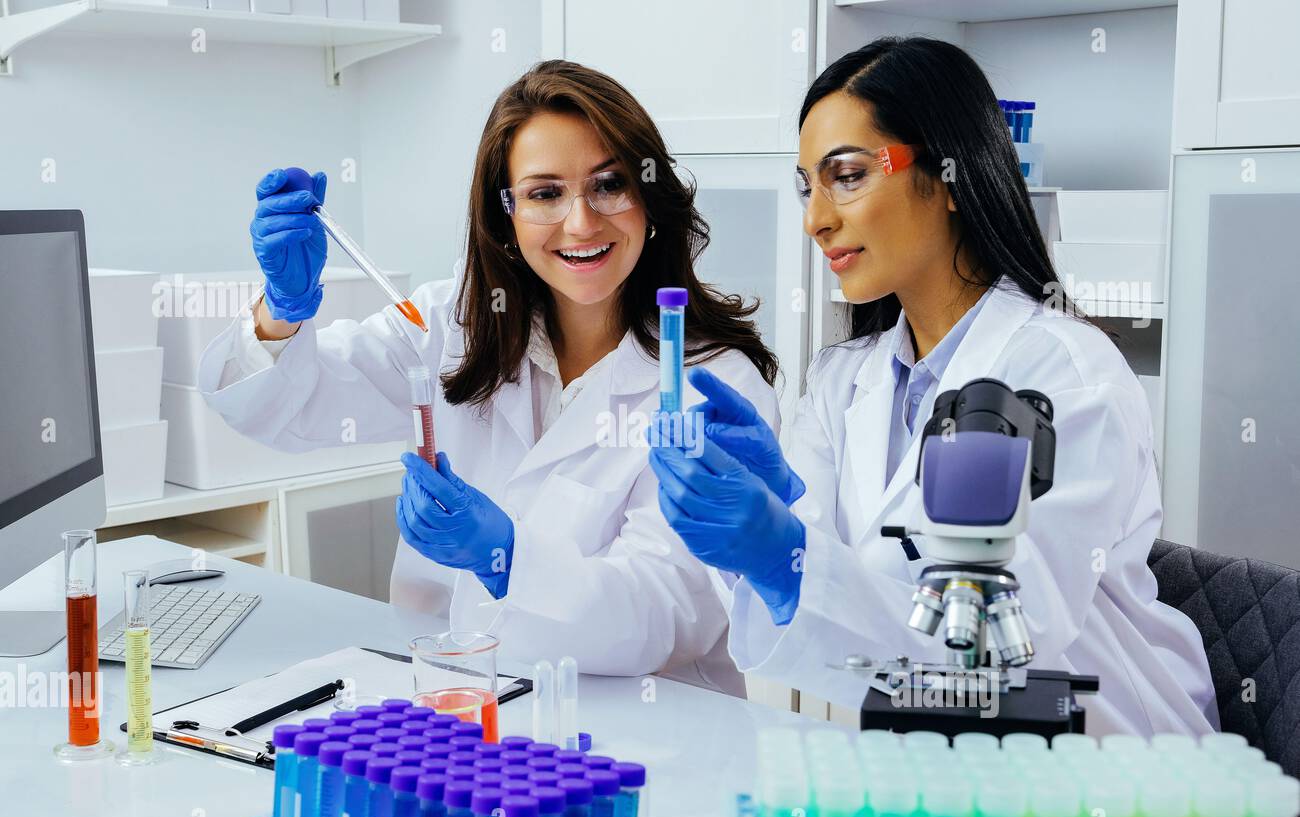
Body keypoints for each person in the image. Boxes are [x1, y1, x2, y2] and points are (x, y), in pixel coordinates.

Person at [648, 37, 1217, 735]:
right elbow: (829, 622)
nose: (815, 219)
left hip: (1104, 774)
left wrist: (785, 554)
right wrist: (781, 517)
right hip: (925, 760)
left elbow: (997, 642)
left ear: (948, 175)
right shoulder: (843, 381)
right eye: (808, 186)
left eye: (848, 176)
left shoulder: (1064, 375)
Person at [197, 60, 779, 696]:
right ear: (506, 215)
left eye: (609, 185)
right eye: (545, 193)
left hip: (647, 738)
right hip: (456, 703)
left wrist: (505, 559)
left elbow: (669, 615)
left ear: (650, 198)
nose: (581, 222)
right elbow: (282, 408)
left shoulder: (713, 385)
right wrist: (282, 309)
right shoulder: (455, 326)